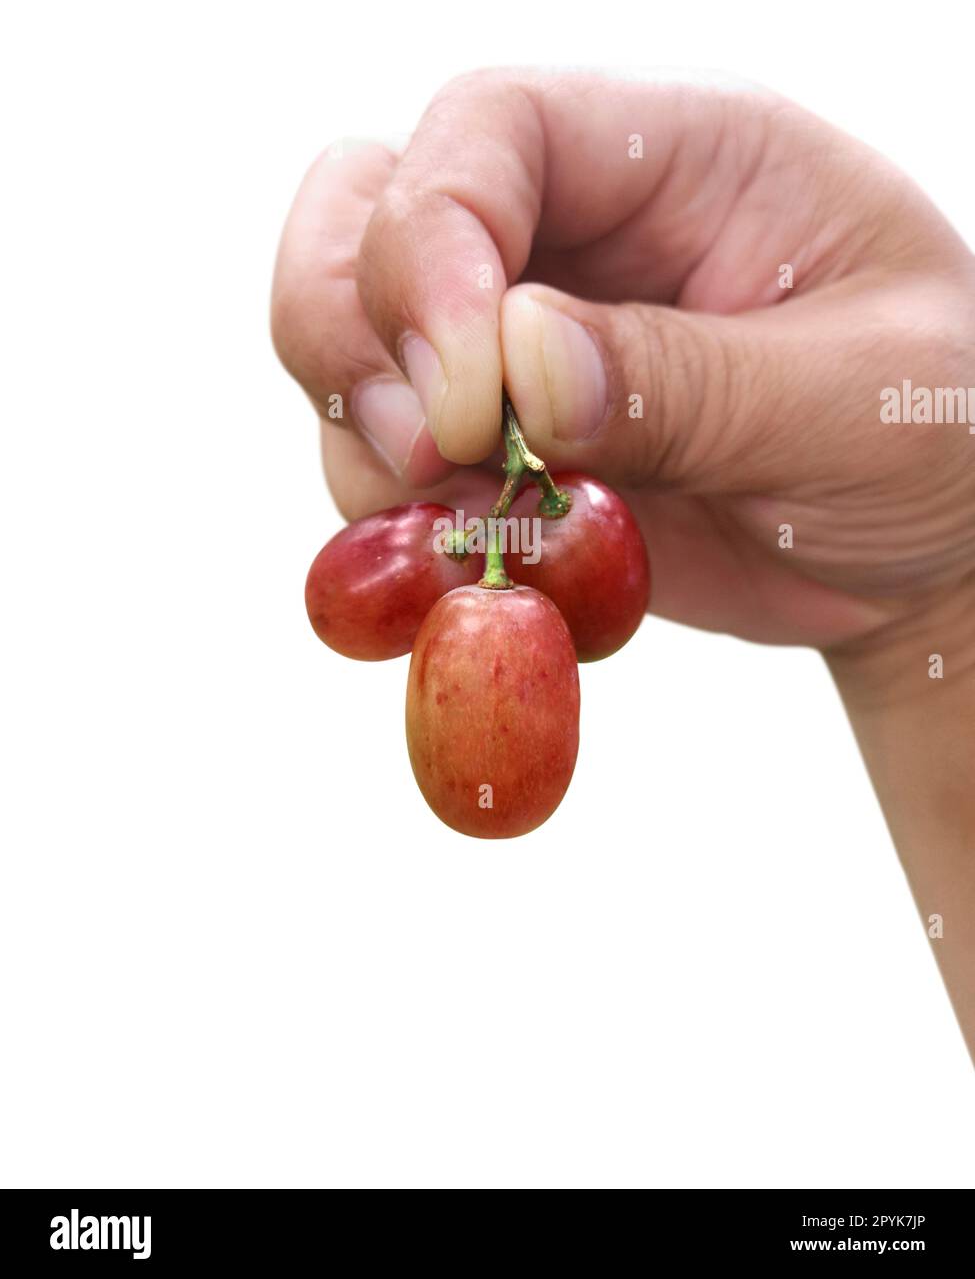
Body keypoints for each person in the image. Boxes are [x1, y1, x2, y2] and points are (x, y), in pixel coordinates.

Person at [271, 69, 975, 1058]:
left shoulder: (522, 554)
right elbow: (342, 599)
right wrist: (941, 610)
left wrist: (950, 595)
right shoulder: (515, 560)